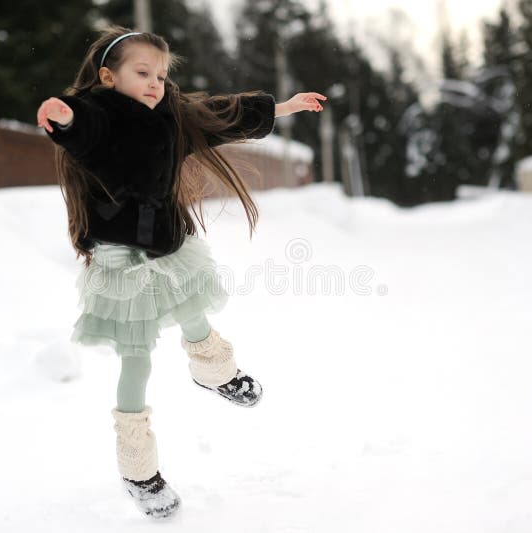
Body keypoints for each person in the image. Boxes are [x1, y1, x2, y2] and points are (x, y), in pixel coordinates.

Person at [37, 26, 325, 519]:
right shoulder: (100, 114)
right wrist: (61, 118)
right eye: (142, 73)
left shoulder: (173, 115)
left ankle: (214, 373)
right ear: (109, 76)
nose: (155, 83)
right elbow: (80, 126)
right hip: (120, 261)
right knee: (137, 359)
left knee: (194, 308)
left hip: (165, 242)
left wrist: (286, 107)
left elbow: (225, 114)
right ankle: (138, 471)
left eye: (162, 74)